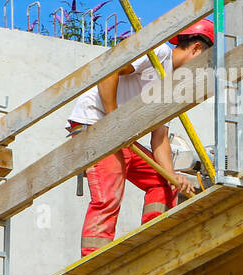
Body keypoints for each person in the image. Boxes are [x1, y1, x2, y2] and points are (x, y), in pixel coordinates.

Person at [68, 19, 214, 256]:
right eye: (202, 63)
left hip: (122, 138)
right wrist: (115, 121)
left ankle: (151, 243)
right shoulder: (159, 53)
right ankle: (93, 261)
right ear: (196, 48)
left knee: (162, 182)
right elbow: (110, 70)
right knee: (109, 197)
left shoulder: (172, 86)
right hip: (96, 125)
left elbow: (160, 139)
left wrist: (173, 176)